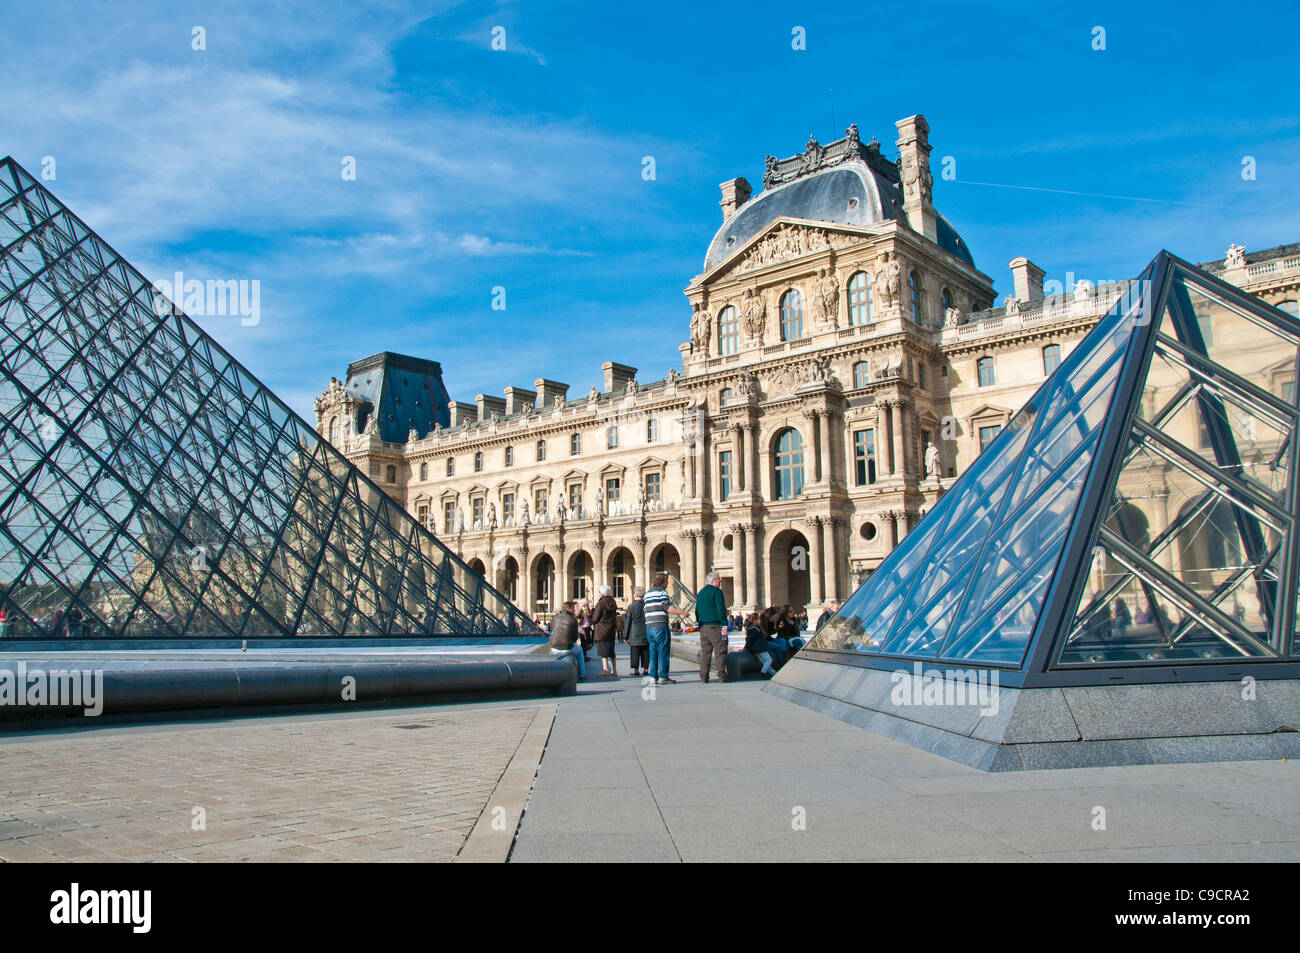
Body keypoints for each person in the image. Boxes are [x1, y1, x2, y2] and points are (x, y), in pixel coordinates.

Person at [695, 570, 729, 683]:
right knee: (720, 650)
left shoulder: (700, 593)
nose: (720, 581)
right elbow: (720, 608)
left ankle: (704, 676)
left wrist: (699, 623)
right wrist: (724, 623)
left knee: (706, 652)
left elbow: (697, 610)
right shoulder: (716, 591)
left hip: (703, 627)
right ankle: (722, 676)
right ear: (714, 581)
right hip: (716, 626)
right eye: (719, 579)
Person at [643, 574, 677, 685]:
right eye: (667, 581)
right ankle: (663, 676)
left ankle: (653, 676)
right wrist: (682, 613)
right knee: (663, 651)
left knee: (653, 652)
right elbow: (667, 607)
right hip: (660, 626)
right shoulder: (662, 592)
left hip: (649, 627)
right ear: (662, 582)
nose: (668, 583)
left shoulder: (647, 594)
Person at [548, 601, 586, 681]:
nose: (574, 610)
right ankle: (582, 674)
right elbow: (575, 637)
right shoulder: (573, 619)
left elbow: (552, 630)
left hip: (554, 647)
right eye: (573, 608)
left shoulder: (555, 617)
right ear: (568, 609)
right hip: (567, 647)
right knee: (580, 651)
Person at [591, 585, 620, 677]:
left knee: (603, 651)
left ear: (602, 593)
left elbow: (596, 617)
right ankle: (614, 670)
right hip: (611, 628)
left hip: (602, 629)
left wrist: (592, 618)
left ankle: (605, 669)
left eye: (599, 592)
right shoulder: (613, 601)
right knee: (611, 650)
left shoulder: (601, 603)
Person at [625, 586, 648, 677]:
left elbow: (628, 621)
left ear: (635, 594)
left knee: (635, 651)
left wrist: (625, 635)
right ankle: (646, 668)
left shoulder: (632, 606)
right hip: (645, 631)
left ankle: (636, 669)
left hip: (634, 632)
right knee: (645, 651)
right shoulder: (646, 605)